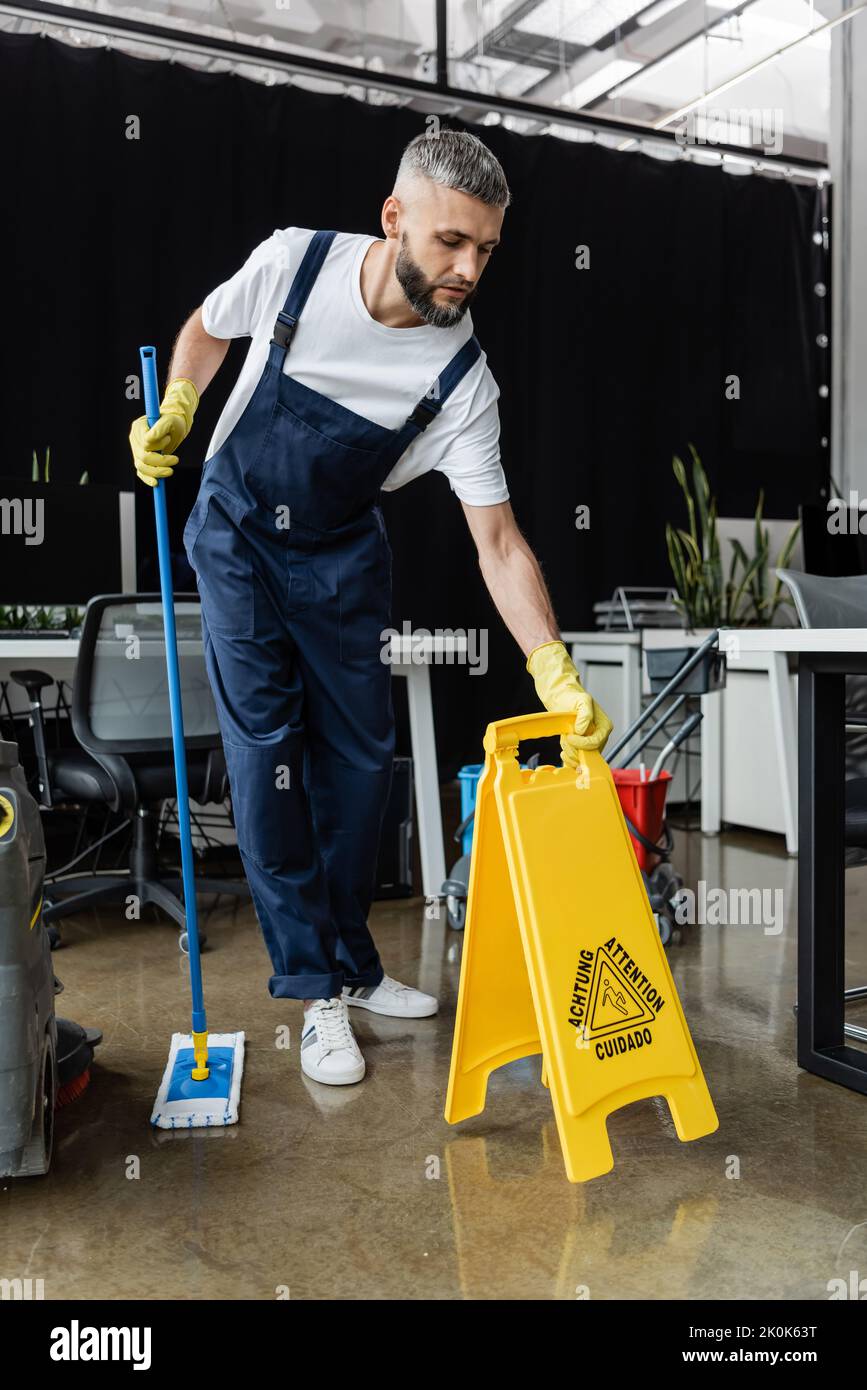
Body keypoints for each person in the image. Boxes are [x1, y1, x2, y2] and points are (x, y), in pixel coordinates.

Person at [129, 130, 612, 1087]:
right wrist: (181, 404)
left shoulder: (463, 383)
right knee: (269, 753)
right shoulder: (293, 265)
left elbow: (499, 544)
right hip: (235, 535)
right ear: (393, 219)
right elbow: (206, 329)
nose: (468, 269)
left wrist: (553, 667)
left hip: (343, 552)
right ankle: (315, 995)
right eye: (449, 243)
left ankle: (354, 965)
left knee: (358, 766)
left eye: (485, 251)